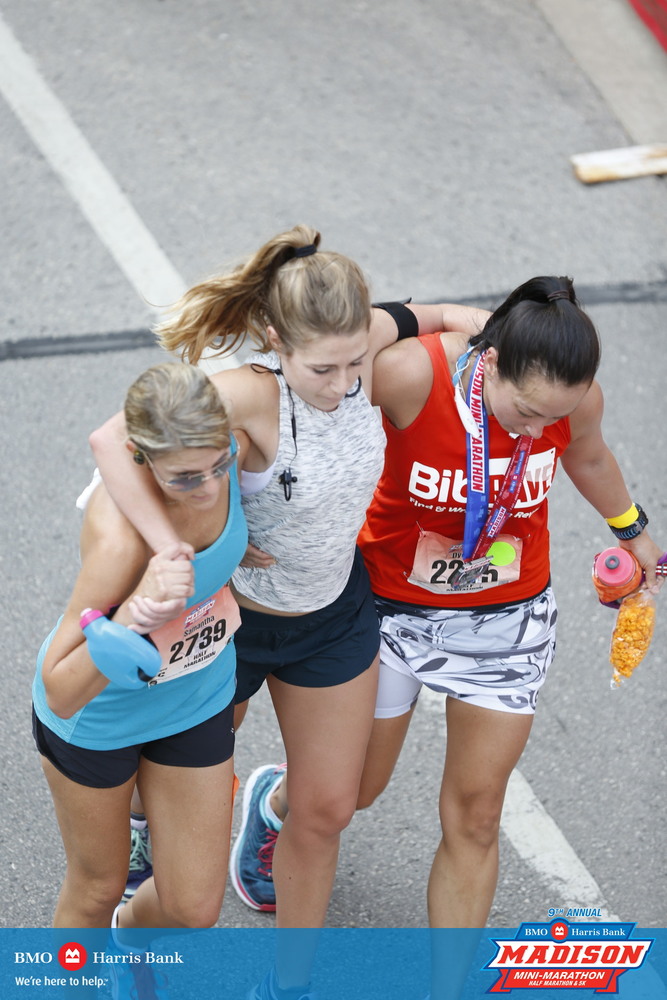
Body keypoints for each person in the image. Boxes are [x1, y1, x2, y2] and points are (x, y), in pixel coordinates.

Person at [88, 225, 487, 1000]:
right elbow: (112, 441)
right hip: (230, 627)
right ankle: (140, 842)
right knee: (168, 788)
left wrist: (486, 326)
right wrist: (176, 547)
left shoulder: (361, 340)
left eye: (355, 363)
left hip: (332, 617)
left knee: (328, 810)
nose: (344, 384)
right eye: (322, 369)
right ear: (275, 341)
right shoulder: (249, 390)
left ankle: (287, 986)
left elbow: (436, 314)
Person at [353, 276, 662, 999]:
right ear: (488, 363)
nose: (533, 432)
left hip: (504, 620)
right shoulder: (411, 375)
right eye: (524, 411)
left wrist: (637, 534)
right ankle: (277, 807)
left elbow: (587, 456)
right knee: (353, 792)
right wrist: (434, 314)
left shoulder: (570, 404)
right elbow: (328, 355)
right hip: (388, 610)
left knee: (477, 815)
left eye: (552, 417)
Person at [32, 363, 248, 997]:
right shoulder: (120, 544)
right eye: (185, 478)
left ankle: (129, 938)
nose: (208, 487)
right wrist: (133, 615)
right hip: (101, 720)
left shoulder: (226, 454)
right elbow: (60, 688)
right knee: (96, 888)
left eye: (218, 464)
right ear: (141, 460)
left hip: (198, 696)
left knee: (193, 907)